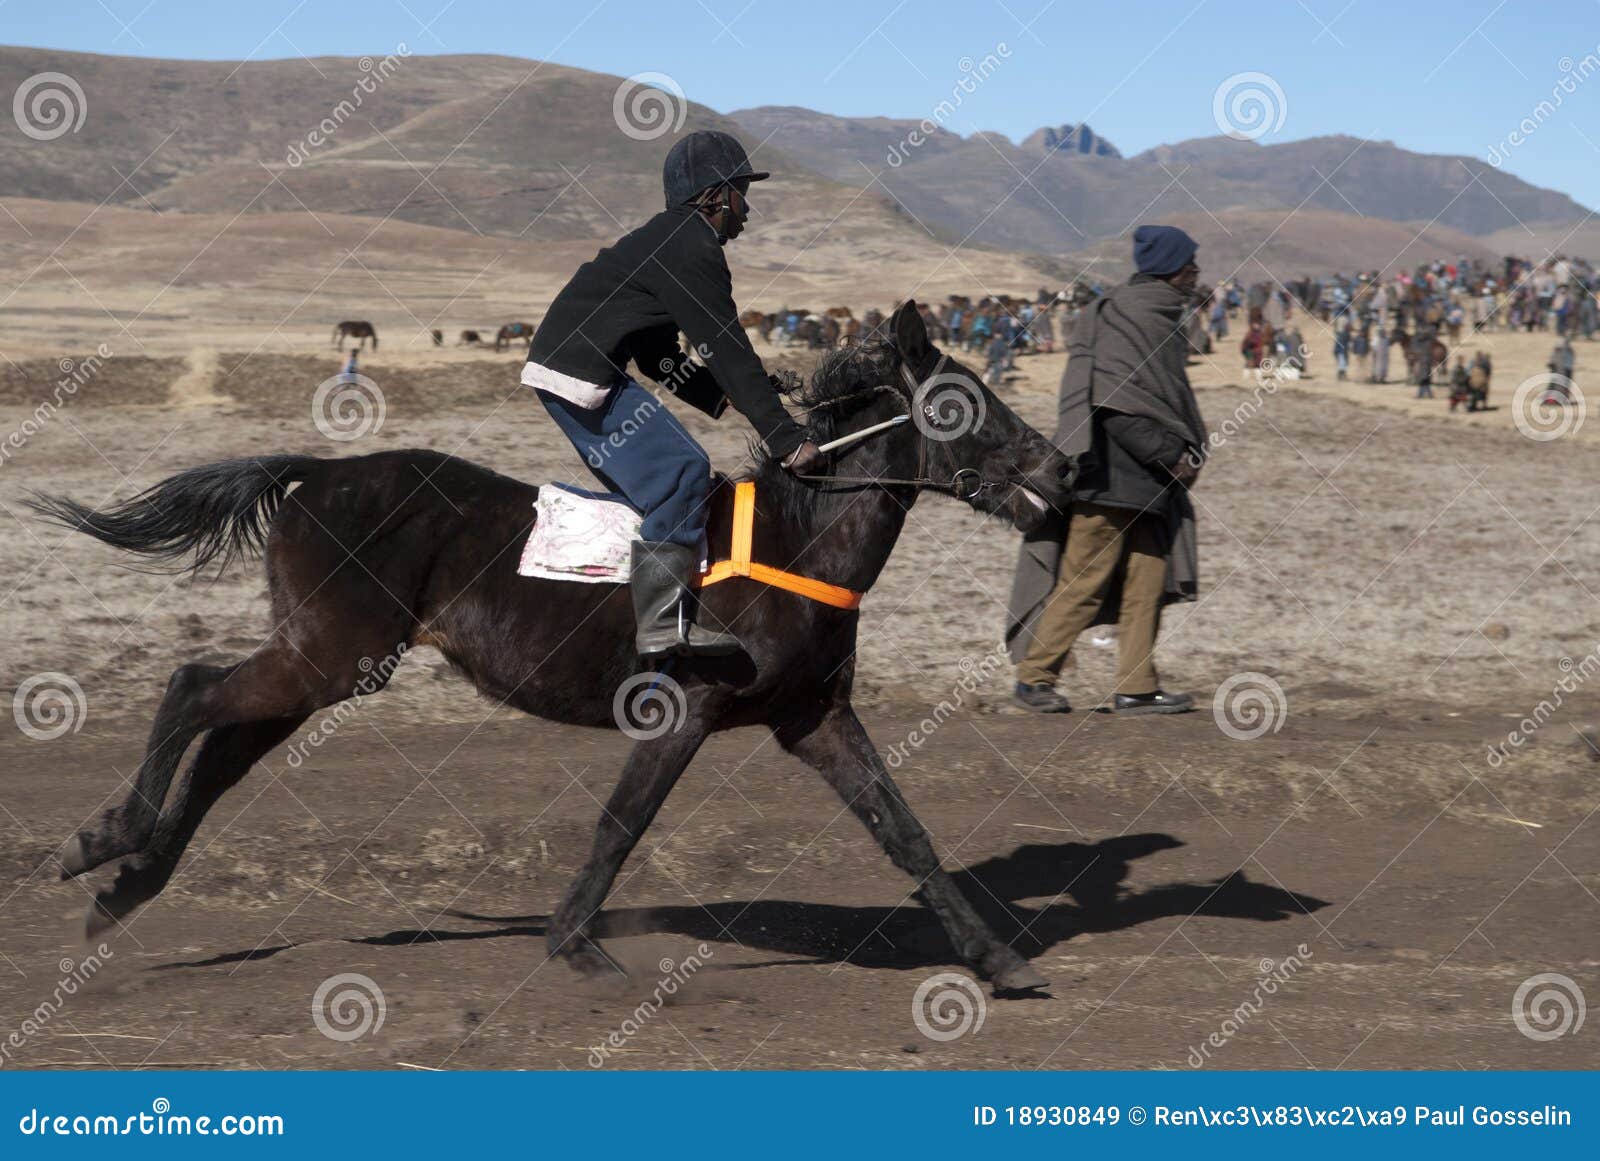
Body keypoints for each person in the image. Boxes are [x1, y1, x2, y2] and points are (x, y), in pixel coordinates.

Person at [523, 130, 822, 659]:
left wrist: (723, 398)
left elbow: (656, 355)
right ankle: (662, 629)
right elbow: (726, 347)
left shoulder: (667, 240)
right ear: (716, 195)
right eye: (742, 194)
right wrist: (785, 439)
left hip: (572, 368)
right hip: (580, 374)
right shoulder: (691, 247)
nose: (747, 210)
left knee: (664, 484)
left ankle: (626, 606)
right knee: (682, 473)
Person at [1005, 224, 1206, 716]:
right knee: (1083, 586)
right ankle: (1034, 680)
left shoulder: (1158, 314)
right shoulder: (1132, 315)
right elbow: (1115, 405)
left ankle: (1136, 687)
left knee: (1146, 588)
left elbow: (1155, 399)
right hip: (1109, 481)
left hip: (1148, 486)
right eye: (1191, 263)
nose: (1198, 271)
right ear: (1172, 268)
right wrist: (1171, 454)